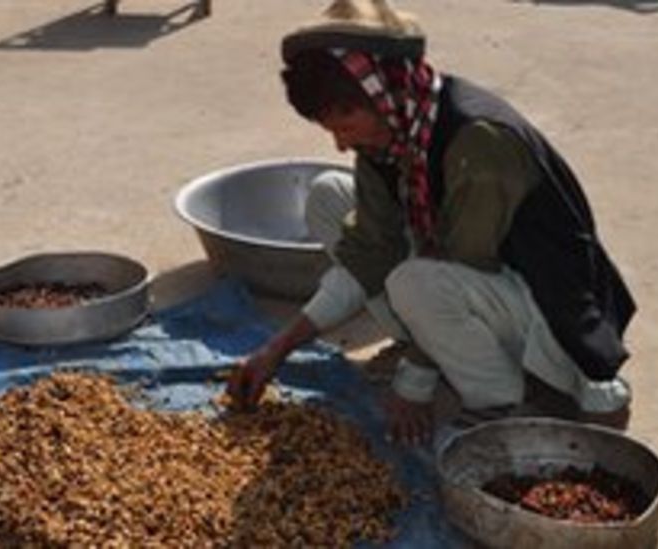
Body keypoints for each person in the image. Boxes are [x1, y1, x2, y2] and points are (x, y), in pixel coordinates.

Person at [226, 0, 636, 445]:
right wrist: (276, 349)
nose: (342, 143)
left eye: (346, 120)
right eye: (329, 128)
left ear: (386, 88)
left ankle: (498, 399)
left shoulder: (479, 140)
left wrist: (415, 383)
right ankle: (434, 344)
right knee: (329, 193)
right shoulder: (392, 136)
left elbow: (465, 260)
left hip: (545, 300)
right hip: (472, 283)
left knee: (412, 282)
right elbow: (369, 252)